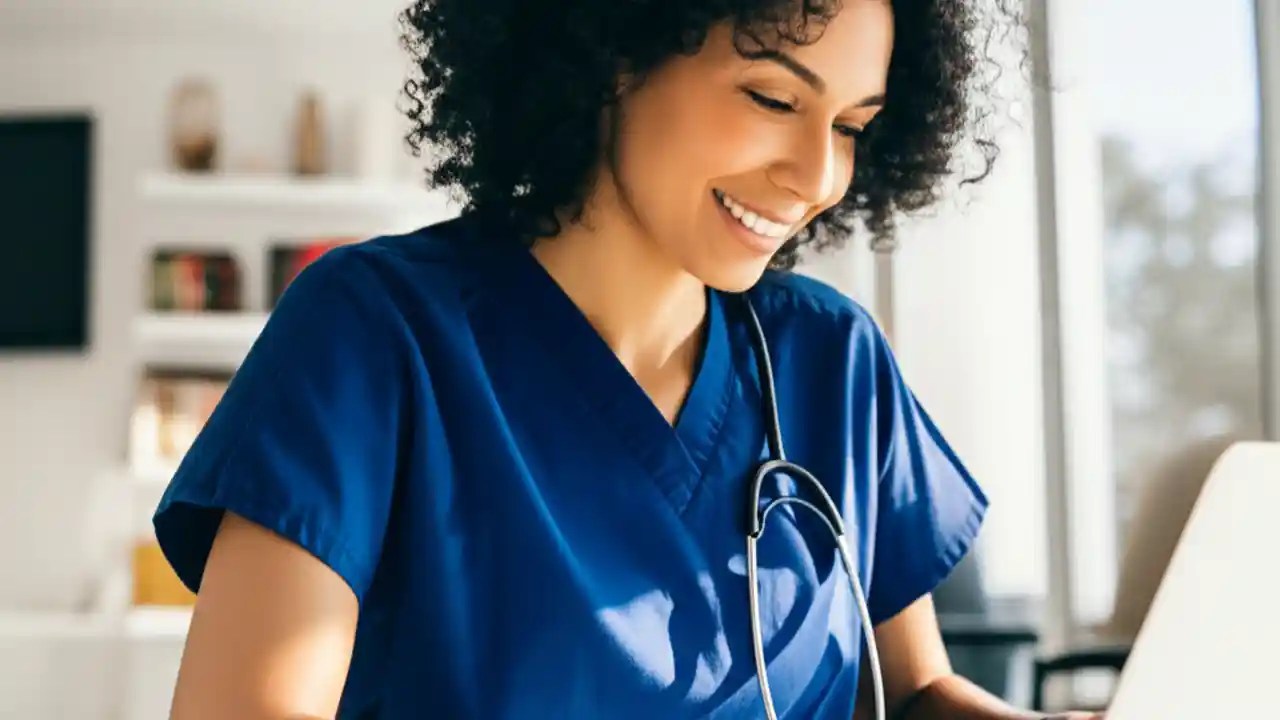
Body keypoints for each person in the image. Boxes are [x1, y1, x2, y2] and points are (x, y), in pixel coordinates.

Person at [152, 0, 1103, 718]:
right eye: (773, 97)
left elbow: (919, 692)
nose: (817, 175)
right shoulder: (375, 333)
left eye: (852, 126)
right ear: (614, 50)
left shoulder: (832, 360)